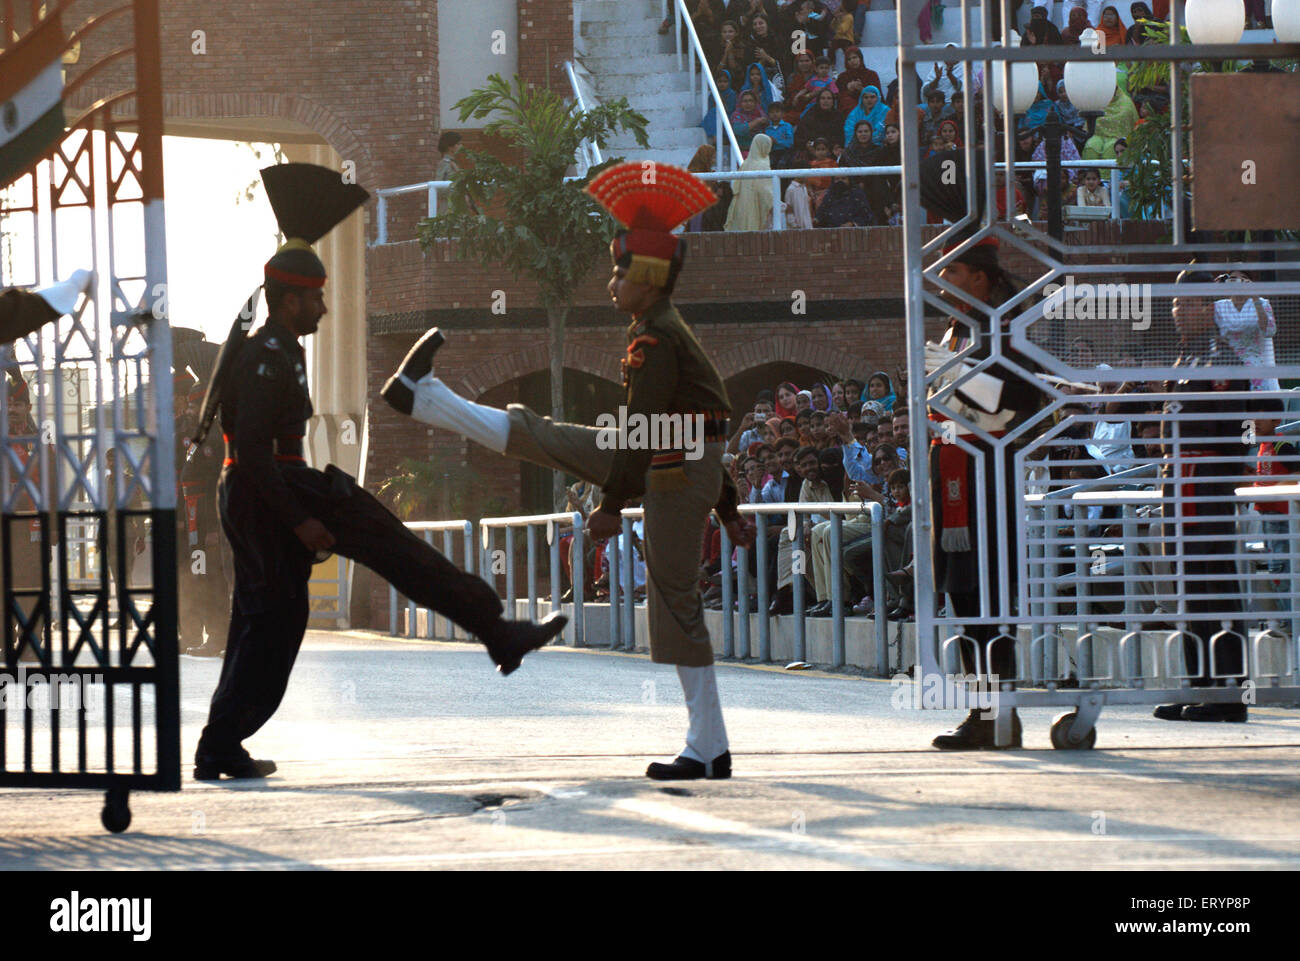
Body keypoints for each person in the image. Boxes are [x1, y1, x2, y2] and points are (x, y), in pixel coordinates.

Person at [383, 162, 757, 779]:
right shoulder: (658, 330)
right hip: (674, 458)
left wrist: (612, 507)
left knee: (676, 602)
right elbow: (697, 431)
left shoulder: (655, 341)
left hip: (669, 464)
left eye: (619, 273)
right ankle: (424, 398)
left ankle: (708, 747)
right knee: (547, 436)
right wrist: (728, 506)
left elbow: (653, 431)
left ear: (648, 278)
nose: (610, 284)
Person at [194, 165, 567, 781]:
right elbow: (255, 454)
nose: (323, 306)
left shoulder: (279, 348)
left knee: (308, 597)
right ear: (290, 300)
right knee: (272, 619)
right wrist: (302, 519)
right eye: (314, 297)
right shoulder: (265, 356)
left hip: (277, 489)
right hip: (269, 493)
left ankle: (495, 630)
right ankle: (220, 742)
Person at [924, 237, 1042, 750]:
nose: (945, 283)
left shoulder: (1004, 328)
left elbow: (1021, 404)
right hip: (953, 465)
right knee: (964, 597)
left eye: (953, 272)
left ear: (979, 277)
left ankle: (999, 711)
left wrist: (957, 381)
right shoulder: (958, 327)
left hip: (986, 472)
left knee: (988, 596)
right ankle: (984, 711)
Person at [1149, 269, 1255, 722]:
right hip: (1181, 480)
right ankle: (1201, 685)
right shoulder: (1186, 357)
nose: (1179, 312)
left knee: (1216, 582)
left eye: (1189, 304)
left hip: (1207, 481)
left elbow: (1233, 429)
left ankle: (1230, 693)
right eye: (1175, 304)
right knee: (1190, 587)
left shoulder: (1223, 358)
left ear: (1210, 309)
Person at [725, 133, 774, 230]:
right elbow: (765, 192)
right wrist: (774, 205)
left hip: (741, 207)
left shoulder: (746, 163)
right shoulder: (763, 165)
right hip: (755, 207)